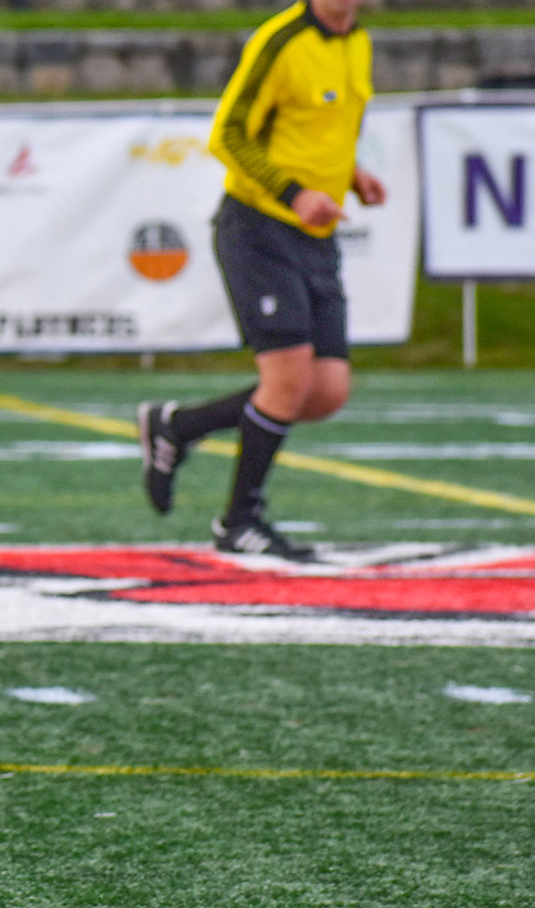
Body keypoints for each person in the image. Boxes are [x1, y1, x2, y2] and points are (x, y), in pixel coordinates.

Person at [137, 0, 383, 561]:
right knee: (289, 379)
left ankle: (177, 428)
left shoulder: (358, 41)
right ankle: (239, 522)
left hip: (316, 234)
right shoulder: (280, 40)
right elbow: (228, 135)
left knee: (325, 393)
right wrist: (296, 193)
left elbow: (319, 132)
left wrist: (352, 175)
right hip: (260, 228)